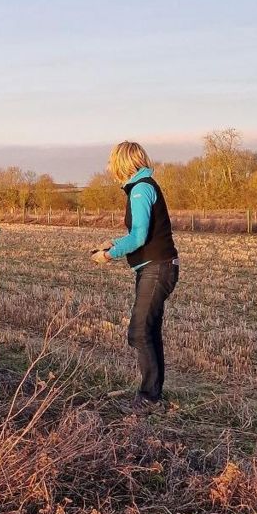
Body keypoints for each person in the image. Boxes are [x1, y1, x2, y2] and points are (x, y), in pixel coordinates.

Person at [90, 141, 179, 412]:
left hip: (157, 268)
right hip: (158, 266)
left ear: (123, 162)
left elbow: (139, 237)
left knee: (139, 332)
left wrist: (109, 255)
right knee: (149, 330)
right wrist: (114, 243)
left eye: (111, 161)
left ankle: (149, 398)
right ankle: (152, 395)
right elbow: (142, 233)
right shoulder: (143, 187)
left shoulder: (140, 189)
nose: (109, 166)